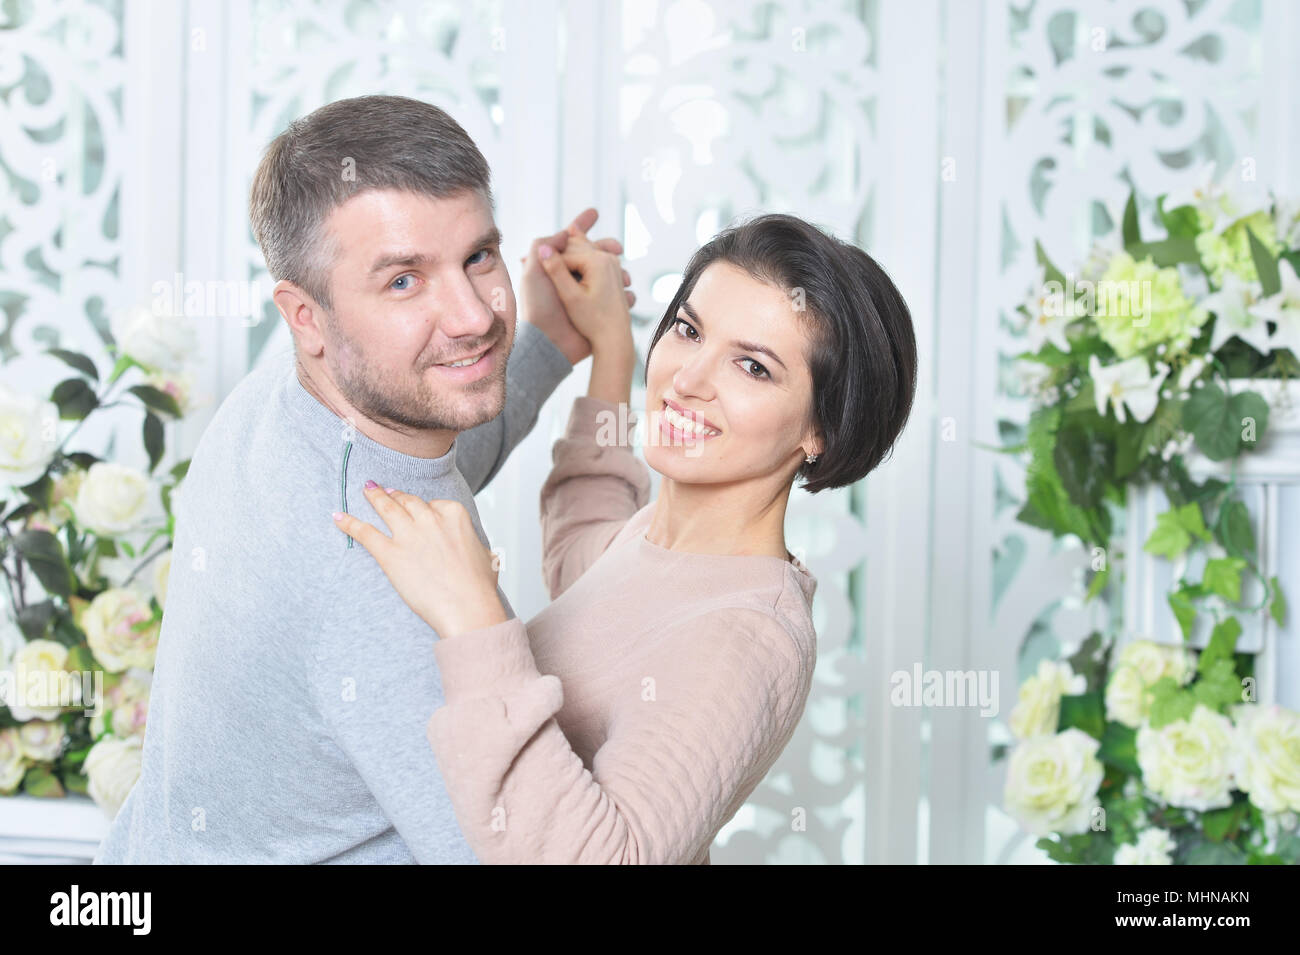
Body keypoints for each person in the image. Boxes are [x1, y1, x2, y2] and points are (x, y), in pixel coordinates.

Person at [94, 94, 632, 863]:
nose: (474, 315)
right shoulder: (384, 586)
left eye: (478, 256)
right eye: (405, 281)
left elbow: (431, 455)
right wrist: (617, 365)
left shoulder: (290, 395)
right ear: (306, 316)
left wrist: (549, 335)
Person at [334, 212, 919, 863]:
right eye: (688, 330)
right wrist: (609, 347)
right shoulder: (666, 542)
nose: (688, 380)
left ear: (821, 432)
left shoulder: (744, 636)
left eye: (752, 366)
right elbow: (587, 545)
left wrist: (474, 619)